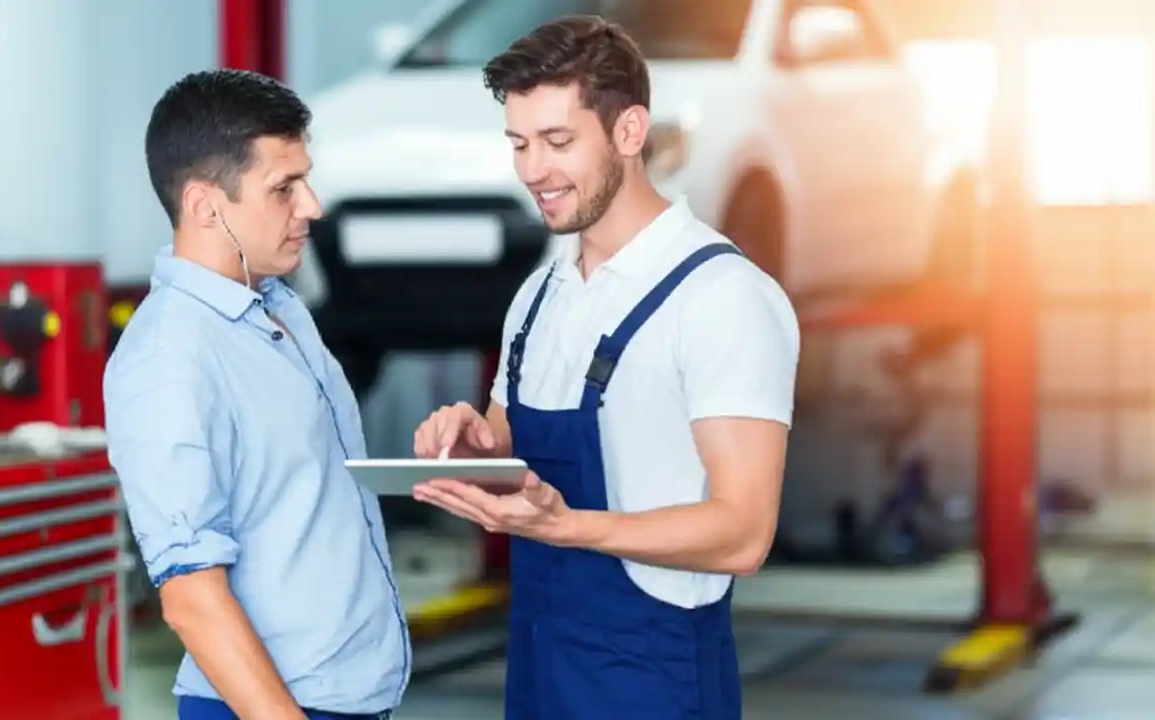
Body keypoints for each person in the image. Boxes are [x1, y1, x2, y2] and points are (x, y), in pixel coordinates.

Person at [410, 15, 799, 720]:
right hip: (537, 664)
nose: (533, 170)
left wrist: (571, 526)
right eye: (519, 143)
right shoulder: (539, 293)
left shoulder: (720, 297)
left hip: (654, 679)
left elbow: (743, 533)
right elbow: (510, 446)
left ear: (629, 132)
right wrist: (475, 445)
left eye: (558, 142)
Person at [103, 69, 408, 720]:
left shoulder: (278, 309)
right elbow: (191, 597)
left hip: (343, 697)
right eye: (284, 188)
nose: (313, 206)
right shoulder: (169, 358)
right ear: (206, 206)